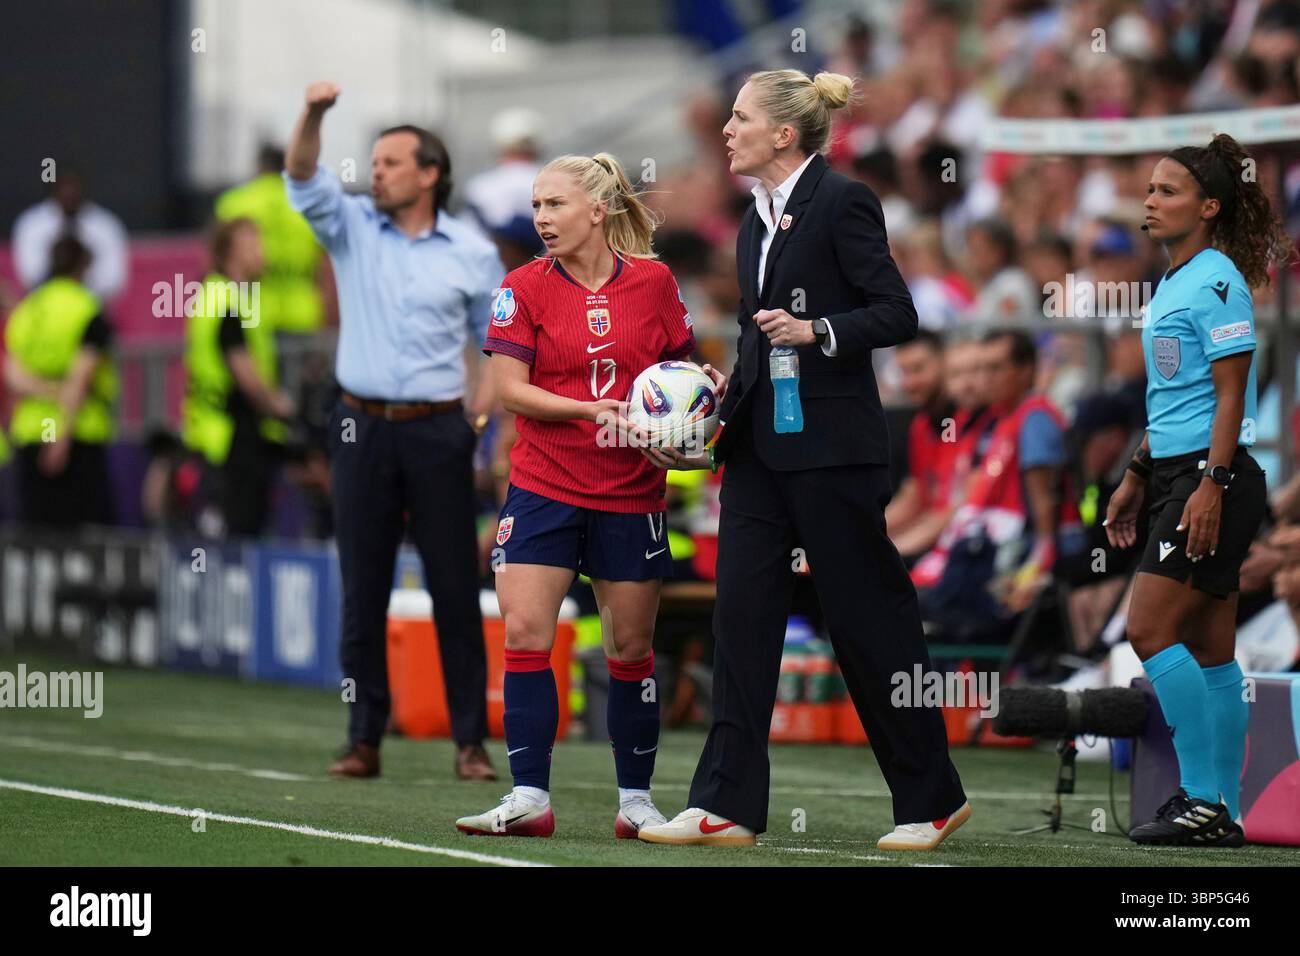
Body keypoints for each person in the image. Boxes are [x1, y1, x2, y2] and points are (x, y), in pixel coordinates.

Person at [637, 69, 970, 851]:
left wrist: (816, 330)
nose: (725, 130)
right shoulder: (753, 219)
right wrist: (725, 392)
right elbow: (763, 336)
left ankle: (932, 797)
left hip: (833, 452)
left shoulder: (844, 200)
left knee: (865, 622)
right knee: (742, 622)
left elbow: (896, 311)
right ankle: (725, 804)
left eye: (741, 118)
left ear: (784, 133)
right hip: (758, 452)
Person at [455, 153, 701, 839]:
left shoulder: (653, 282)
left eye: (554, 205)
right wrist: (590, 410)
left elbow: (680, 368)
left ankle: (637, 802)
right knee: (528, 634)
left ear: (597, 210)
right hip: (544, 484)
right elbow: (507, 389)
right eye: (536, 206)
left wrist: (692, 397)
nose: (541, 219)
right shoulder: (523, 286)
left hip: (631, 487)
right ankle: (529, 796)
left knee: (630, 648)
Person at [284, 81, 503, 781]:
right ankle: (363, 737)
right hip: (360, 427)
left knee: (454, 588)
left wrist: (476, 423)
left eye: (390, 163)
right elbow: (301, 173)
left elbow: (497, 345)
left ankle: (470, 742)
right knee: (363, 585)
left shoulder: (472, 251)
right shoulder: (349, 226)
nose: (374, 173)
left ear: (430, 173)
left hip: (440, 429)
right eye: (373, 162)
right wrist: (315, 114)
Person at [1105, 133, 1290, 846]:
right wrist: (1136, 475)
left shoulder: (1217, 280)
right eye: (1149, 189)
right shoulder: (1175, 281)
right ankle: (1223, 811)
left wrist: (1208, 484)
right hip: (1181, 475)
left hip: (1212, 479)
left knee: (1149, 630)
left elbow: (1229, 395)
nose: (1150, 201)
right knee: (1212, 649)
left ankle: (1204, 798)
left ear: (1208, 207)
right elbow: (1173, 401)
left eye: (1168, 191)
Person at [181, 217, 295, 538]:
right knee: (240, 534)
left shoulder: (219, 294)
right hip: (233, 436)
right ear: (232, 251)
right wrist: (279, 406)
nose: (263, 250)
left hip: (214, 432)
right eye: (254, 242)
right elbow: (242, 369)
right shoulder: (228, 300)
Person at [4, 236, 118, 528]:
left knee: (38, 536)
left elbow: (12, 374)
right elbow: (81, 380)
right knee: (84, 537)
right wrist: (61, 436)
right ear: (84, 266)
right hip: (77, 433)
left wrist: (46, 389)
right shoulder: (87, 309)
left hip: (29, 432)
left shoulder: (27, 310)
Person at [215, 144, 325, 336]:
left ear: (259, 167)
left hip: (255, 310)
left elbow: (218, 260)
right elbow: (324, 267)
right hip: (303, 313)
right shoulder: (307, 205)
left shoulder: (235, 203)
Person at [12, 171, 128, 304]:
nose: (69, 193)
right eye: (64, 187)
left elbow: (113, 282)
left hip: (92, 307)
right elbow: (31, 276)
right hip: (45, 306)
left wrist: (79, 291)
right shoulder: (31, 223)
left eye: (74, 187)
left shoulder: (106, 225)